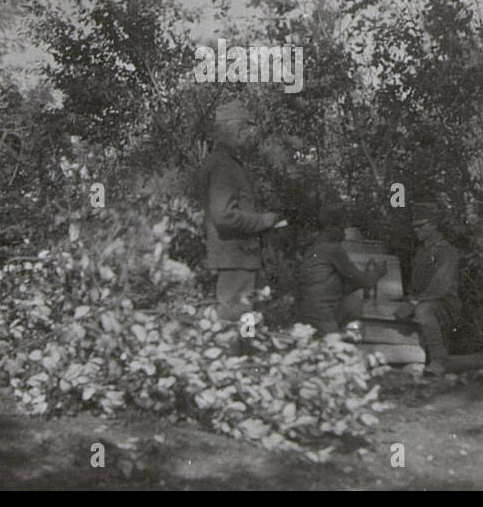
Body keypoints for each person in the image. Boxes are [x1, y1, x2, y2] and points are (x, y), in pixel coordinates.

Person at [197, 99, 281, 321]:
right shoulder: (223, 165)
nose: (248, 135)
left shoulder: (226, 162)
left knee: (243, 322)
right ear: (233, 129)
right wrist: (265, 221)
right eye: (245, 128)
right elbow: (224, 216)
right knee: (234, 321)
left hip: (238, 258)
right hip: (235, 258)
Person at [296, 204, 387, 334]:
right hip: (321, 310)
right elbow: (362, 281)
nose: (344, 234)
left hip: (308, 306)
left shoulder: (314, 248)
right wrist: (378, 271)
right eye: (342, 228)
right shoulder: (332, 249)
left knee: (353, 303)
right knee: (332, 346)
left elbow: (335, 283)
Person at [401, 203, 464, 375]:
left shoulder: (447, 251)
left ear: (434, 224)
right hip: (426, 300)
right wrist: (409, 298)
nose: (416, 230)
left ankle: (439, 360)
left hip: (445, 305)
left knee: (423, 311)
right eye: (414, 227)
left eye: (421, 226)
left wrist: (414, 302)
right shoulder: (422, 250)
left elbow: (440, 287)